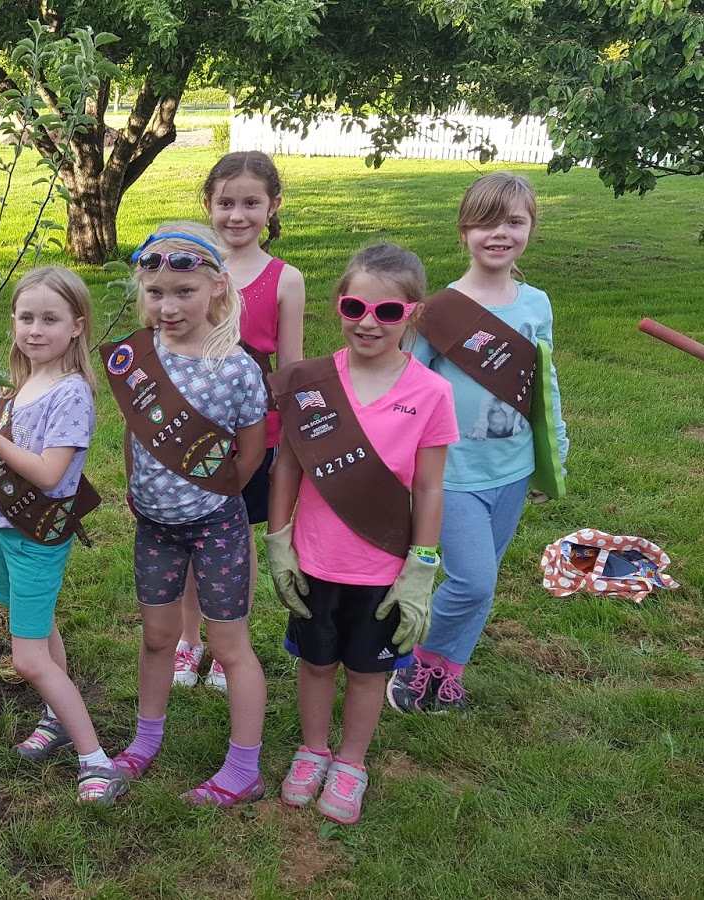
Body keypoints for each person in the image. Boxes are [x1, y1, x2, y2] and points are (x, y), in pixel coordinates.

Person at [263, 243, 457, 824]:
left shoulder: (431, 393)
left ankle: (351, 761)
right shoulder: (310, 383)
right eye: (355, 307)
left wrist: (421, 566)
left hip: (384, 566)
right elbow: (287, 467)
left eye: (388, 312)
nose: (369, 323)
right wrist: (279, 542)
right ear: (338, 305)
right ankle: (312, 750)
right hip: (315, 559)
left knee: (369, 672)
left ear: (413, 313)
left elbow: (429, 487)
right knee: (316, 662)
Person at [102, 222, 270, 806]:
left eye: (184, 292)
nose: (168, 307)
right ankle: (145, 740)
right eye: (155, 293)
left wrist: (219, 496)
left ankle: (244, 768)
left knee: (228, 644)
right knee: (156, 636)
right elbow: (135, 431)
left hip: (216, 525)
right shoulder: (138, 358)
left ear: (216, 288)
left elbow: (253, 452)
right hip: (154, 525)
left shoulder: (236, 368)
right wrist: (135, 487)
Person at [0, 266, 123, 805]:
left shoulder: (71, 394)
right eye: (26, 318)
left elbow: (47, 473)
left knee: (27, 658)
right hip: (6, 528)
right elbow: (11, 462)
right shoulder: (18, 387)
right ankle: (57, 718)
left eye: (50, 319)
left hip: (37, 536)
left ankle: (97, 760)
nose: (35, 329)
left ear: (77, 326)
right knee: (40, 633)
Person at [388, 173, 568, 714]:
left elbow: (544, 384)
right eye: (486, 222)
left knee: (482, 584)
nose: (500, 233)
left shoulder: (536, 304)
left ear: (531, 228)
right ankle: (412, 661)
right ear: (464, 230)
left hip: (513, 467)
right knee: (471, 581)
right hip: (453, 473)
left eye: (514, 221)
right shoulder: (439, 311)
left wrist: (552, 456)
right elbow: (408, 391)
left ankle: (448, 672)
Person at [173, 151, 309, 692]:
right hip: (188, 434)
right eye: (225, 202)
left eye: (251, 203)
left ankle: (232, 645)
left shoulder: (286, 279)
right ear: (208, 204)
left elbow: (291, 371)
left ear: (273, 206)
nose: (237, 215)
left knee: (235, 543)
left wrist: (290, 447)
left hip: (256, 436)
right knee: (188, 538)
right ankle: (188, 641)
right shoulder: (190, 266)